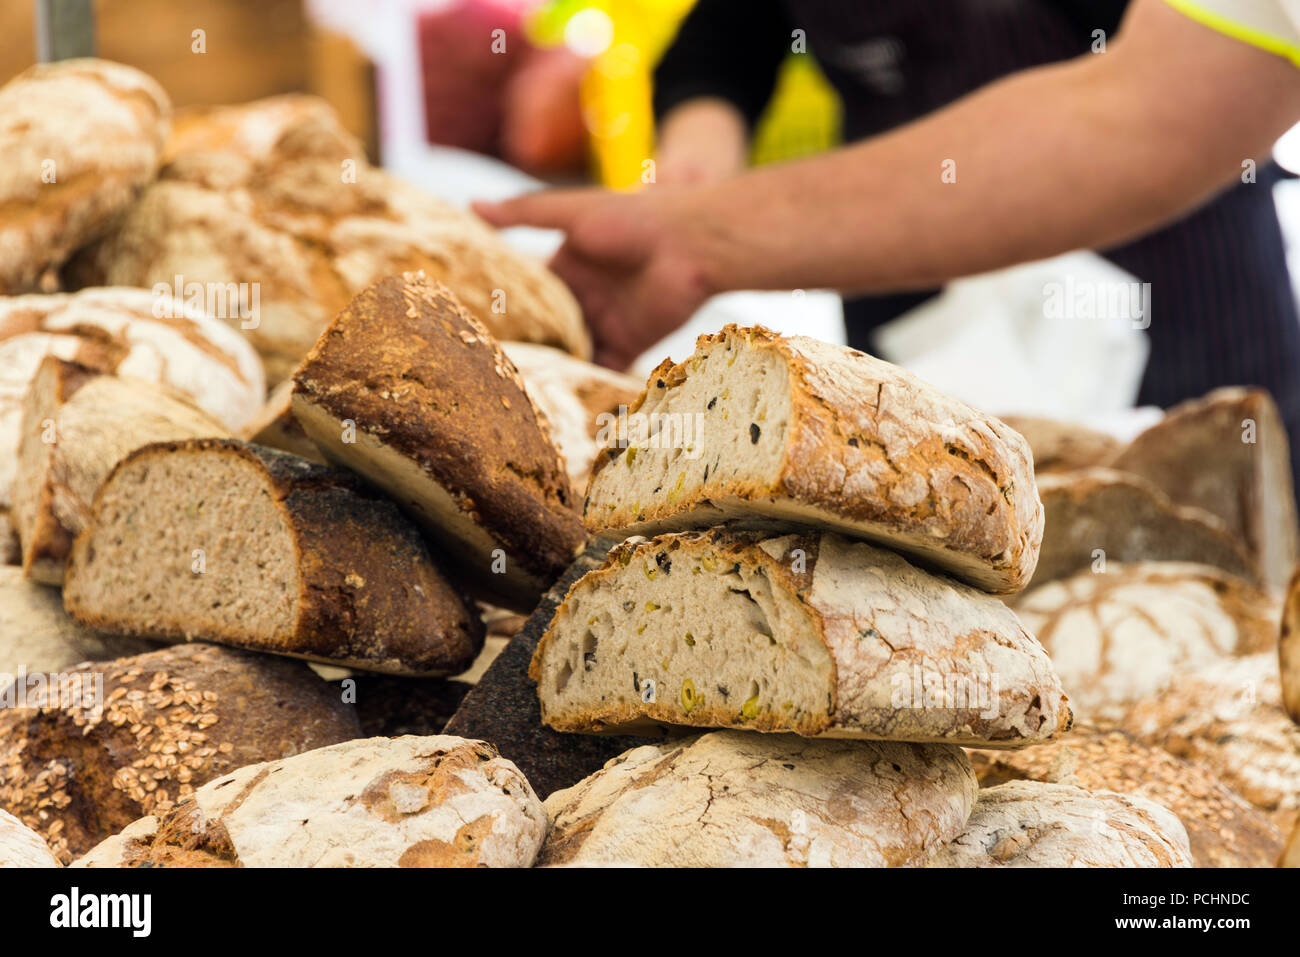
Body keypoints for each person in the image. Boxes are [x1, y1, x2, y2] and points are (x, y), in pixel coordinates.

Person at [475, 0, 1300, 481]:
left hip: (1175, 293)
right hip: (902, 279)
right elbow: (722, 48)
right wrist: (690, 177)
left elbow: (1154, 108)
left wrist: (699, 237)